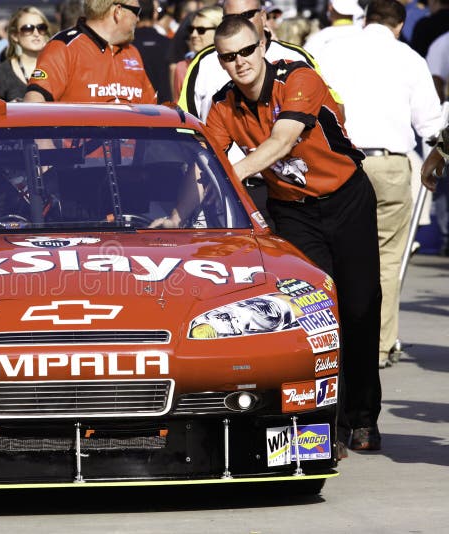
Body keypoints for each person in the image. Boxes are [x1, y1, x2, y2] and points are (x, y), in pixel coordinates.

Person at [205, 17, 382, 455]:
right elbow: (202, 167)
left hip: (346, 198)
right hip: (294, 211)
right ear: (221, 62)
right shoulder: (223, 104)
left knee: (360, 309)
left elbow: (283, 140)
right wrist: (174, 214)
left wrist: (234, 175)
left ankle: (364, 418)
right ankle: (327, 425)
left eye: (247, 51)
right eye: (229, 56)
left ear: (263, 44)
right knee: (315, 317)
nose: (240, 62)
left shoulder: (299, 78)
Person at [318, 0, 443, 368]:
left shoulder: (331, 52)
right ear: (399, 25)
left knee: (337, 259)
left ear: (365, 18)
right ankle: (379, 347)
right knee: (387, 261)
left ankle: (333, 345)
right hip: (389, 162)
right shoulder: (409, 58)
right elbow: (431, 125)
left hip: (338, 162)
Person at [177, 0, 320, 121]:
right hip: (221, 149)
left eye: (247, 15)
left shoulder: (296, 57)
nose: (239, 62)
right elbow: (186, 120)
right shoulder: (204, 62)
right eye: (232, 17)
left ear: (263, 17)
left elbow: (331, 106)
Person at [23, 0, 157, 104]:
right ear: (118, 11)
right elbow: (35, 100)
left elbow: (151, 109)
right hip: (78, 140)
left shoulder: (132, 52)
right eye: (137, 12)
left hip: (129, 140)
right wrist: (46, 140)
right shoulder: (64, 46)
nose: (138, 19)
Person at [0, 6, 51, 102]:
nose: (36, 34)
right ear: (15, 35)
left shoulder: (59, 67)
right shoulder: (1, 73)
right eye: (28, 28)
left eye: (41, 28)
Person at [172, 5, 223, 104]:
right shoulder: (182, 68)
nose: (193, 35)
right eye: (191, 29)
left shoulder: (233, 64)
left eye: (201, 30)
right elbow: (180, 111)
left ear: (219, 31)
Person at [133, 0, 173, 104]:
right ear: (155, 14)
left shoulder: (127, 46)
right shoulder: (168, 43)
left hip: (135, 108)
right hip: (166, 110)